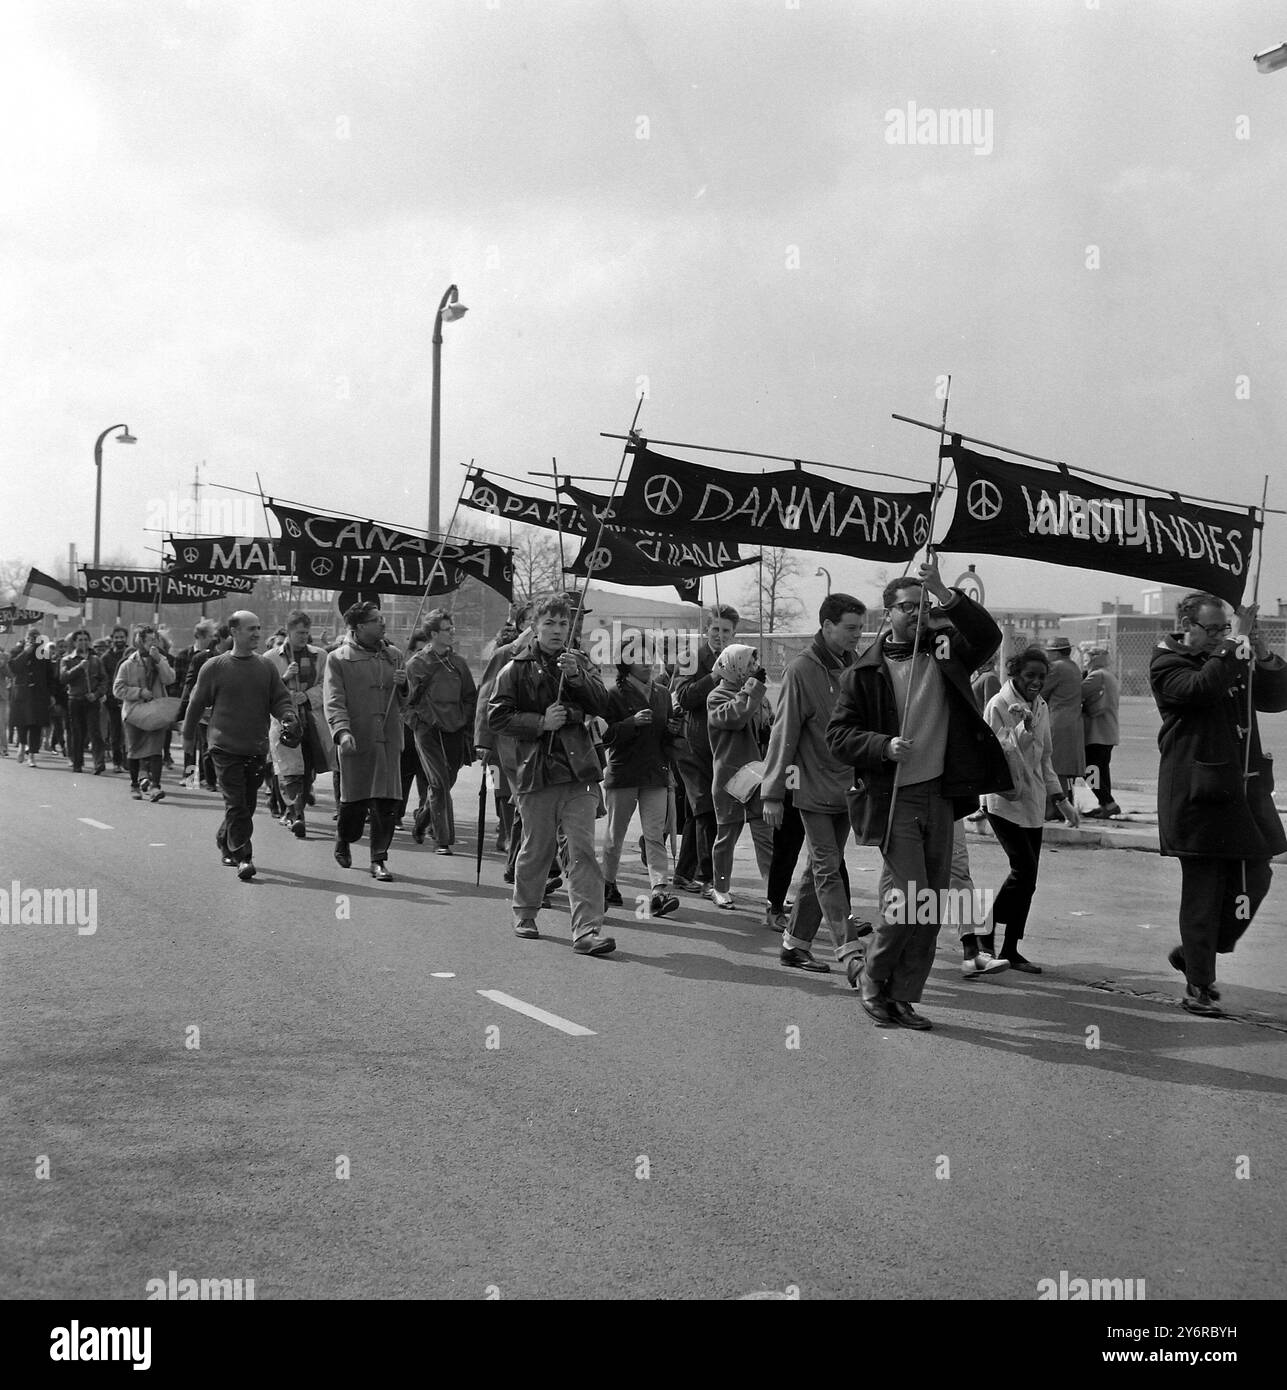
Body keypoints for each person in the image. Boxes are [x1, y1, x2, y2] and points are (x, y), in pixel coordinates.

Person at [825, 552, 1013, 1030]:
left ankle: (904, 995)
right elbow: (839, 737)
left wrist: (947, 592)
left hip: (941, 794)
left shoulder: (945, 651)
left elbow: (989, 637)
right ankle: (873, 979)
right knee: (909, 896)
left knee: (931, 903)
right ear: (886, 612)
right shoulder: (862, 673)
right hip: (894, 800)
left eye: (924, 605)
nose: (917, 613)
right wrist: (883, 745)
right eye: (907, 605)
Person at [1150, 592, 1287, 1016]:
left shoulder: (1231, 655)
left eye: (1222, 629)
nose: (1217, 638)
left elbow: (1275, 699)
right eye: (1210, 630)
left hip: (1242, 794)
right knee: (1203, 894)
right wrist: (1233, 645)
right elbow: (1202, 689)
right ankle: (1199, 985)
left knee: (1256, 876)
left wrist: (1261, 652)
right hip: (1198, 798)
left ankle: (1199, 953)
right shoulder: (1167, 664)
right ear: (1186, 625)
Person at [488, 591, 616, 954]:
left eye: (564, 623)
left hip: (579, 770)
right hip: (536, 770)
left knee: (582, 851)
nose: (558, 630)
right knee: (538, 847)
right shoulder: (514, 668)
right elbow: (496, 716)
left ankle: (586, 929)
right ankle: (525, 911)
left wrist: (577, 679)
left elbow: (602, 703)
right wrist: (540, 722)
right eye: (550, 623)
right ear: (535, 628)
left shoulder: (579, 664)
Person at [761, 593, 870, 978]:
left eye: (861, 627)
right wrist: (773, 793)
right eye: (851, 628)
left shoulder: (855, 666)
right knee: (828, 868)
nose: (858, 635)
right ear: (826, 627)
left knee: (819, 869)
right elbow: (783, 732)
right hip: (810, 789)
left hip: (847, 788)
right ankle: (850, 951)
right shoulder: (800, 670)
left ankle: (795, 945)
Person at [982, 647, 1080, 973]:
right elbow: (1001, 752)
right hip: (1005, 800)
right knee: (1022, 869)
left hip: (1033, 801)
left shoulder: (1041, 706)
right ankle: (985, 931)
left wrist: (1061, 799)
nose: (1036, 682)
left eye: (1041, 676)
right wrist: (1023, 726)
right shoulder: (999, 704)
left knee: (1030, 878)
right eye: (1029, 676)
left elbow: (1045, 757)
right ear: (1015, 675)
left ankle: (1010, 947)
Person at [182, 610, 296, 881]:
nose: (256, 633)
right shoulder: (214, 667)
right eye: (250, 629)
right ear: (233, 632)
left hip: (255, 748)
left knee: (245, 804)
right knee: (236, 804)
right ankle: (244, 857)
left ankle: (225, 839)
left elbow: (279, 699)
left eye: (258, 628)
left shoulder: (265, 667)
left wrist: (288, 716)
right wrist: (187, 737)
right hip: (224, 747)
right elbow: (196, 703)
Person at [324, 601, 409, 882]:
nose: (383, 623)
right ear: (360, 627)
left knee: (386, 803)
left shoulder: (395, 655)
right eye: (376, 620)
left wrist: (405, 683)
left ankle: (379, 859)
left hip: (388, 739)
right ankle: (344, 839)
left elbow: (407, 700)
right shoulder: (338, 658)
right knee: (354, 803)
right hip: (356, 739)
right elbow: (334, 701)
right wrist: (342, 731)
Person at [601, 649, 681, 919]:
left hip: (655, 773)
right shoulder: (614, 694)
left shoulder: (661, 694)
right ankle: (607, 883)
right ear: (626, 663)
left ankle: (659, 890)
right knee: (615, 836)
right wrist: (630, 723)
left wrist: (673, 730)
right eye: (640, 658)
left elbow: (668, 740)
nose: (648, 663)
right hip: (624, 774)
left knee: (655, 834)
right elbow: (605, 736)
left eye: (650, 656)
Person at [673, 605, 740, 895]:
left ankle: (683, 873)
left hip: (722, 747)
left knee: (697, 812)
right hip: (692, 744)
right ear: (706, 630)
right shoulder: (690, 658)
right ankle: (707, 876)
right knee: (705, 808)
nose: (720, 636)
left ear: (734, 633)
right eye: (716, 629)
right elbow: (684, 698)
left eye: (726, 631)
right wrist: (714, 676)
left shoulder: (739, 657)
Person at [706, 643, 775, 911]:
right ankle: (720, 887)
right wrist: (752, 690)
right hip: (731, 778)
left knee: (765, 837)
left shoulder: (758, 697)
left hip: (757, 775)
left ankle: (774, 893)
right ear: (732, 665)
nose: (753, 670)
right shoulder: (716, 696)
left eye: (754, 665)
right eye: (748, 664)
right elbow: (735, 717)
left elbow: (768, 724)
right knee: (727, 836)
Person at [404, 609, 477, 855]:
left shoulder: (459, 664)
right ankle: (443, 840)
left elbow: (470, 696)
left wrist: (464, 719)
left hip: (454, 730)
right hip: (428, 731)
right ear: (433, 634)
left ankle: (422, 820)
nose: (452, 632)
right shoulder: (416, 663)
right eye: (447, 629)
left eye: (452, 628)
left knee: (447, 781)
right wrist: (418, 723)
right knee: (439, 782)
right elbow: (406, 701)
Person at [263, 610, 332, 839]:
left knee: (308, 769)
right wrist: (284, 680)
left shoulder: (320, 656)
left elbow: (327, 685)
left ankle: (296, 807)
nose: (303, 637)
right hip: (285, 723)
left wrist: (308, 696)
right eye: (299, 632)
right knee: (289, 769)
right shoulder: (271, 658)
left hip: (311, 722)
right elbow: (265, 690)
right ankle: (296, 814)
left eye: (306, 632)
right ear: (289, 631)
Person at [112, 623, 176, 801]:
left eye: (155, 639)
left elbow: (169, 679)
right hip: (134, 712)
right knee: (135, 750)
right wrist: (138, 692)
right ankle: (135, 784)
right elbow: (117, 689)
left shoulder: (161, 660)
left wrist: (159, 661)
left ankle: (155, 786)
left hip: (156, 711)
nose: (153, 643)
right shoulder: (128, 664)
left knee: (156, 751)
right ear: (139, 642)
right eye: (149, 640)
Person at [1040, 635, 1086, 810]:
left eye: (1049, 652)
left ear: (1056, 653)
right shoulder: (1073, 666)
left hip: (1057, 721)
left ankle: (1053, 809)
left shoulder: (1056, 668)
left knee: (1053, 766)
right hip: (1073, 721)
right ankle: (1067, 805)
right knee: (1065, 769)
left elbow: (1040, 690)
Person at [1080, 646, 1121, 818]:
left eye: (1085, 659)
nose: (1083, 662)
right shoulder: (1109, 676)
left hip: (1097, 732)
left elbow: (1076, 692)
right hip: (1108, 732)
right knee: (1102, 770)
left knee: (1088, 769)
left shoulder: (1097, 676)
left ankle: (1108, 802)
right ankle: (1105, 804)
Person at [60, 628, 108, 774]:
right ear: (74, 643)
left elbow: (104, 680)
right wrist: (79, 667)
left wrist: (97, 694)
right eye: (80, 640)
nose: (83, 642)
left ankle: (99, 763)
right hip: (75, 699)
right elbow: (63, 678)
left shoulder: (96, 660)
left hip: (91, 700)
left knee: (95, 731)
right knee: (77, 732)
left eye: (86, 639)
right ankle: (77, 763)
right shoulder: (67, 660)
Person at [10, 629, 54, 767]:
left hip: (38, 694)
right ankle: (22, 745)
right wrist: (26, 651)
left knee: (36, 725)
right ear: (26, 638)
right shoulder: (17, 651)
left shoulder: (43, 654)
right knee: (22, 723)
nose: (33, 640)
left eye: (36, 638)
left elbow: (50, 676)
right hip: (22, 693)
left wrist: (51, 694)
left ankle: (32, 754)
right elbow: (14, 668)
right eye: (30, 638)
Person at [101, 625, 130, 772]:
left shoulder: (130, 655)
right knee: (115, 732)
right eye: (116, 637)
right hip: (112, 700)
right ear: (112, 639)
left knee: (129, 732)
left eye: (122, 637)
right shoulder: (106, 657)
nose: (119, 640)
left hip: (129, 699)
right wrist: (108, 695)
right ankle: (117, 761)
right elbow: (104, 679)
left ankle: (128, 761)